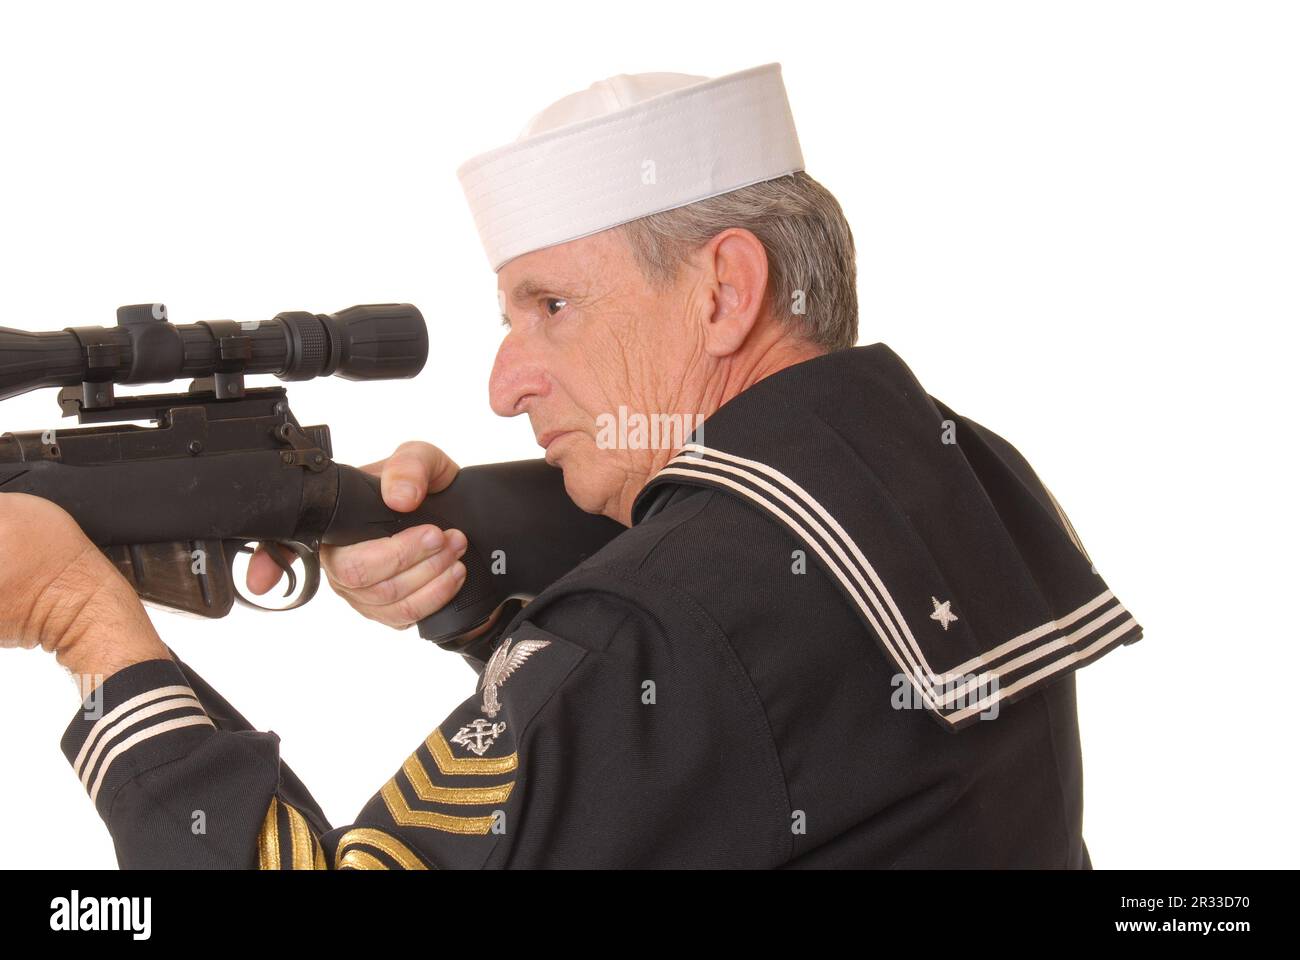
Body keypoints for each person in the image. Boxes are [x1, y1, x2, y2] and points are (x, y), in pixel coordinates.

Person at [0, 63, 1141, 868]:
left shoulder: (666, 620)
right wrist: (479, 614)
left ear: (722, 292)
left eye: (551, 306)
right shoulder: (941, 464)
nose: (504, 384)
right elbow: (740, 759)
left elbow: (680, 660)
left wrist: (83, 622)